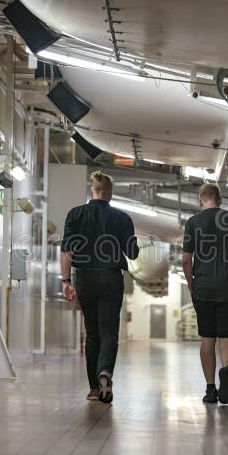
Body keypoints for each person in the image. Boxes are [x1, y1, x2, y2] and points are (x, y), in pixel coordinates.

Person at [61, 171, 139, 403]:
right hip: (110, 278)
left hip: (83, 278)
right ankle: (104, 370)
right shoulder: (122, 218)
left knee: (92, 333)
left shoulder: (75, 214)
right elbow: (133, 253)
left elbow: (66, 251)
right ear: (110, 193)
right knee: (108, 332)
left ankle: (95, 388)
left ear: (92, 190)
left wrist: (66, 282)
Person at [182, 183, 228, 405]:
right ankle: (226, 371)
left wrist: (191, 283)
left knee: (208, 338)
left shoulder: (193, 223)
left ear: (200, 200)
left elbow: (186, 259)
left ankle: (210, 389)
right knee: (227, 336)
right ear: (220, 200)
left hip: (203, 287)